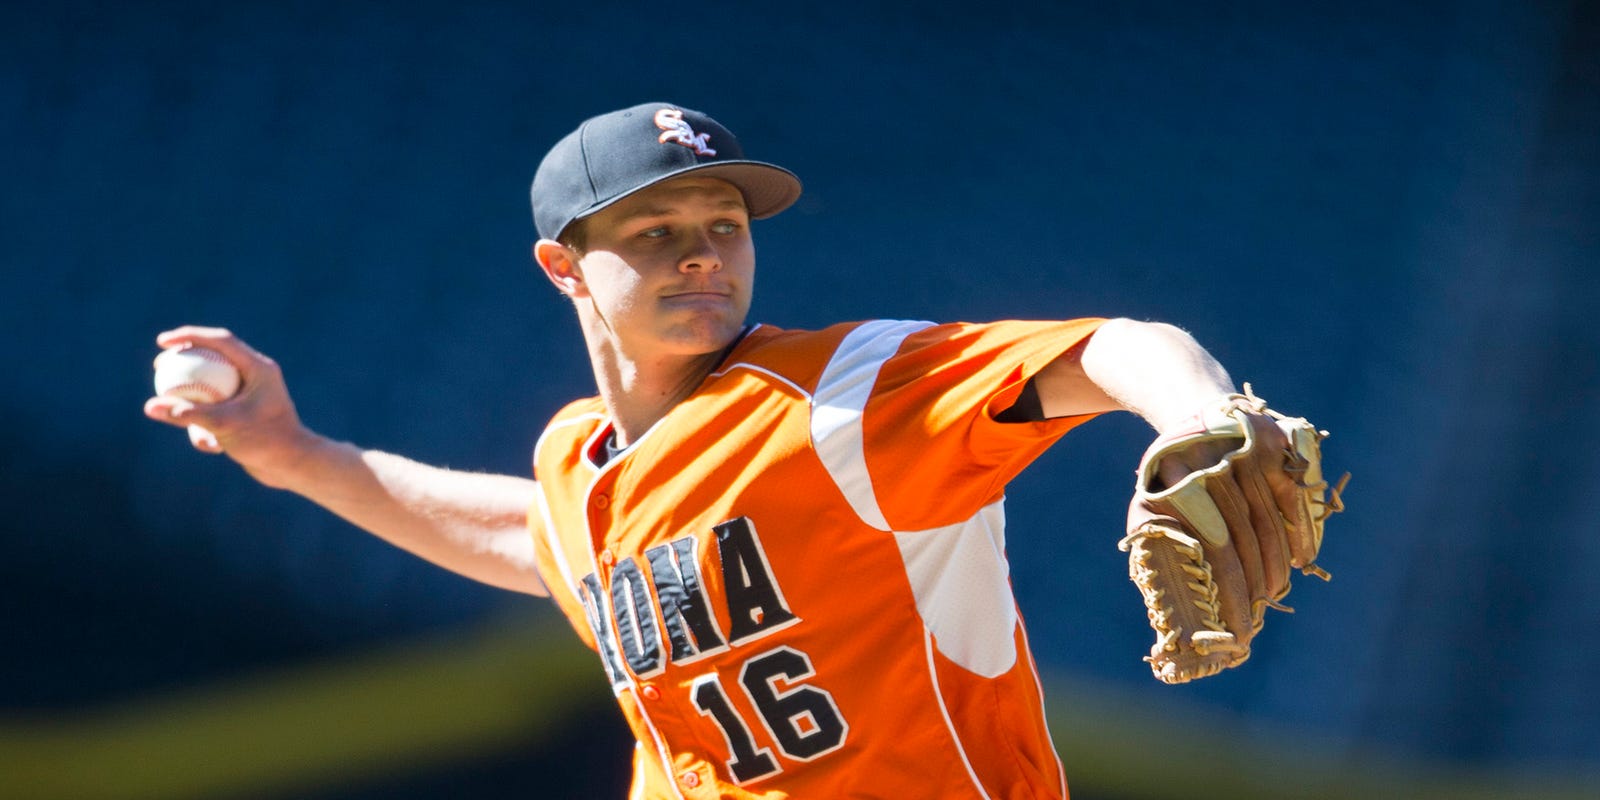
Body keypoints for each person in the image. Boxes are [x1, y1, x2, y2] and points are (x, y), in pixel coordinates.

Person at [145, 102, 1260, 799]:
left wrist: (1201, 419)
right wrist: (291, 452)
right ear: (563, 267)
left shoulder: (840, 393)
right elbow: (531, 538)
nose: (702, 256)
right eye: (656, 232)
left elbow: (1119, 345)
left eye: (722, 225)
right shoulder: (578, 469)